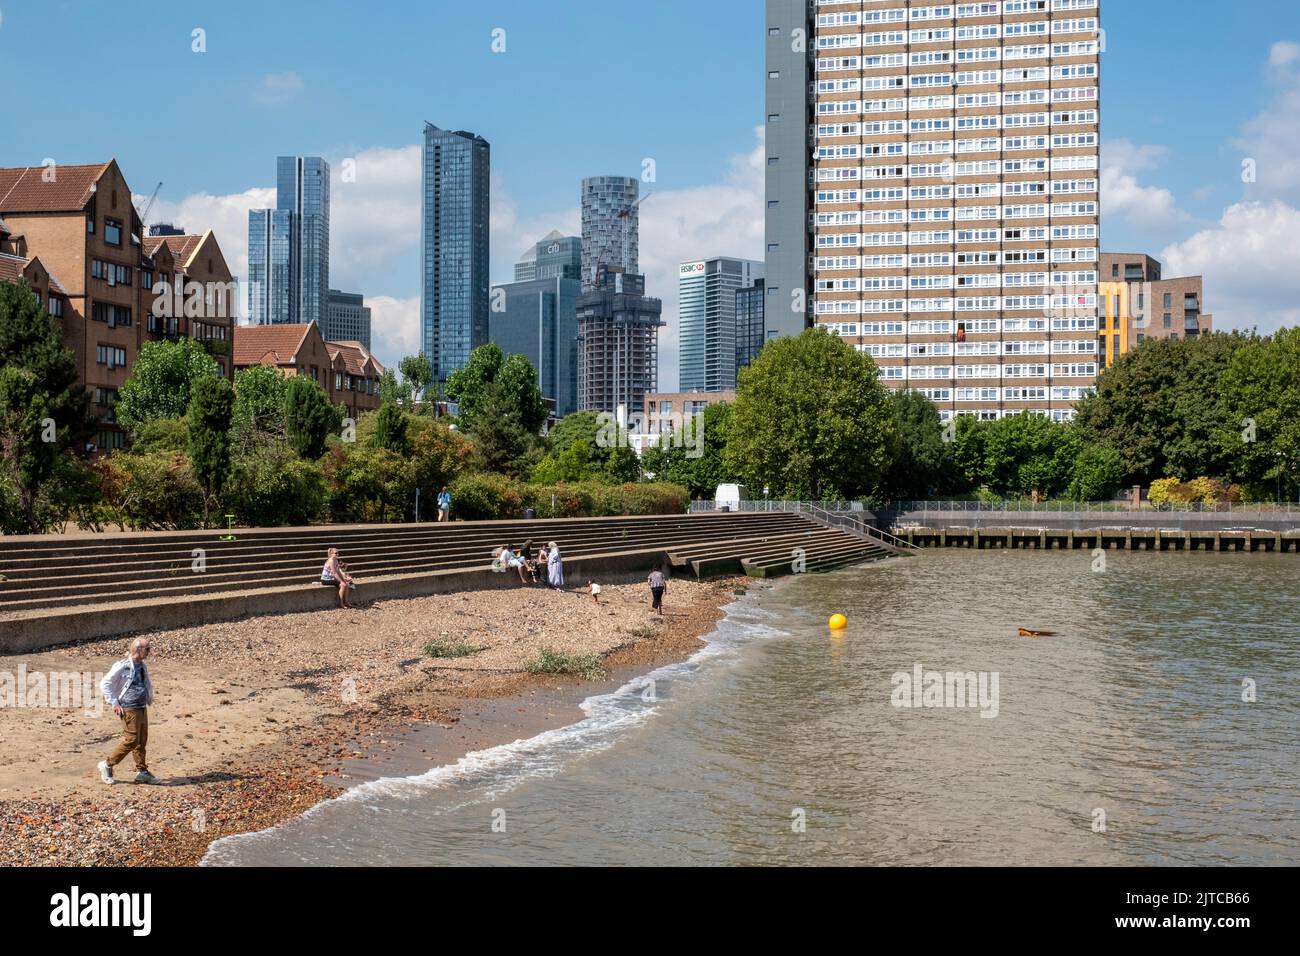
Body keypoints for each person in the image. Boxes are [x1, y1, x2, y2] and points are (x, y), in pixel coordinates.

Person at [98, 637, 158, 785]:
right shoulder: (123, 665)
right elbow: (105, 683)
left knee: (141, 741)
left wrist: (148, 698)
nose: (149, 652)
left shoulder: (142, 665)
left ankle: (142, 772)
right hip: (129, 708)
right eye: (147, 649)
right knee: (131, 740)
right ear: (139, 650)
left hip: (141, 707)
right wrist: (114, 703)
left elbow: (146, 683)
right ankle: (107, 764)